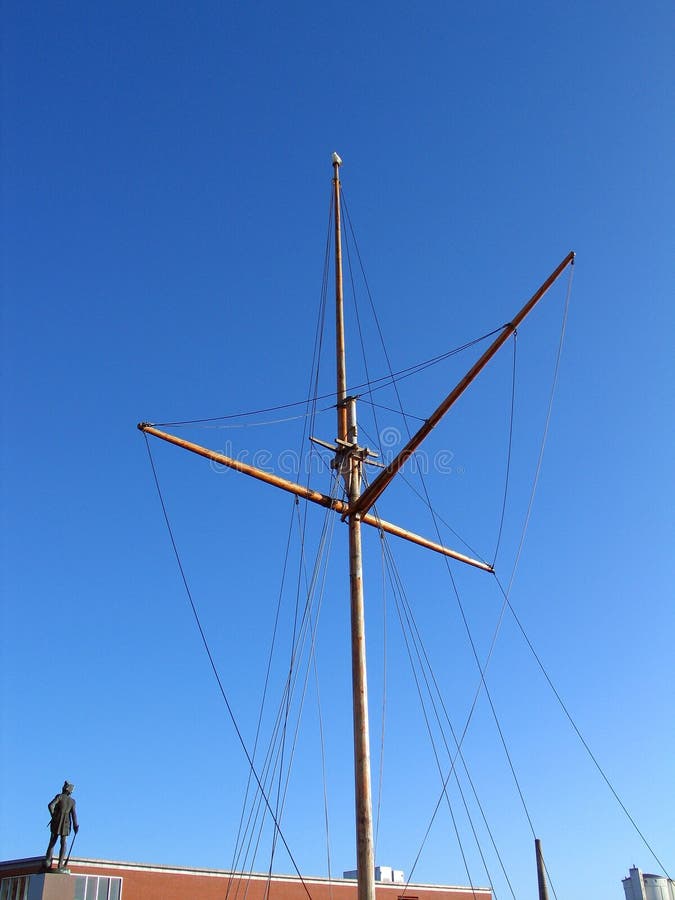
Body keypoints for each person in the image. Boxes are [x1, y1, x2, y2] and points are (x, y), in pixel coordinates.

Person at [45, 781, 79, 870]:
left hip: (58, 821)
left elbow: (50, 805)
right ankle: (60, 864)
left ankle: (48, 861)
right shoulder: (72, 801)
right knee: (63, 842)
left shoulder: (59, 796)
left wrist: (54, 816)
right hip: (66, 823)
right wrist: (76, 825)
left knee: (53, 841)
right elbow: (74, 815)